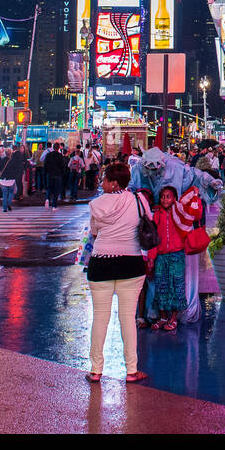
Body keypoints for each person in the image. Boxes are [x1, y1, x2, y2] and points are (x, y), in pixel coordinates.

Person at [85, 163, 148, 383]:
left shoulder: (96, 204)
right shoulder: (138, 200)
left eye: (104, 180)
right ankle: (131, 370)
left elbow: (94, 232)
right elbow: (146, 221)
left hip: (101, 262)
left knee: (100, 318)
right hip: (131, 264)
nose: (101, 184)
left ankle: (96, 370)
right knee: (127, 319)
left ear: (113, 183)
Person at [145, 186, 187, 331]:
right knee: (161, 286)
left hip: (177, 254)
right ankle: (163, 317)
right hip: (161, 256)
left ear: (174, 198)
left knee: (177, 287)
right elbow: (153, 238)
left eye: (168, 196)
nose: (165, 199)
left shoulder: (180, 212)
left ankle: (173, 318)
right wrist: (151, 258)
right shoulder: (157, 215)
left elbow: (196, 214)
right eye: (162, 196)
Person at [0, 144, 27, 212]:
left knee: (5, 194)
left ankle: (4, 208)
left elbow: (0, 169)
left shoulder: (2, 160)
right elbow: (15, 169)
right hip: (11, 178)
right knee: (11, 192)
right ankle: (9, 203)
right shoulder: (12, 161)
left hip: (3, 179)